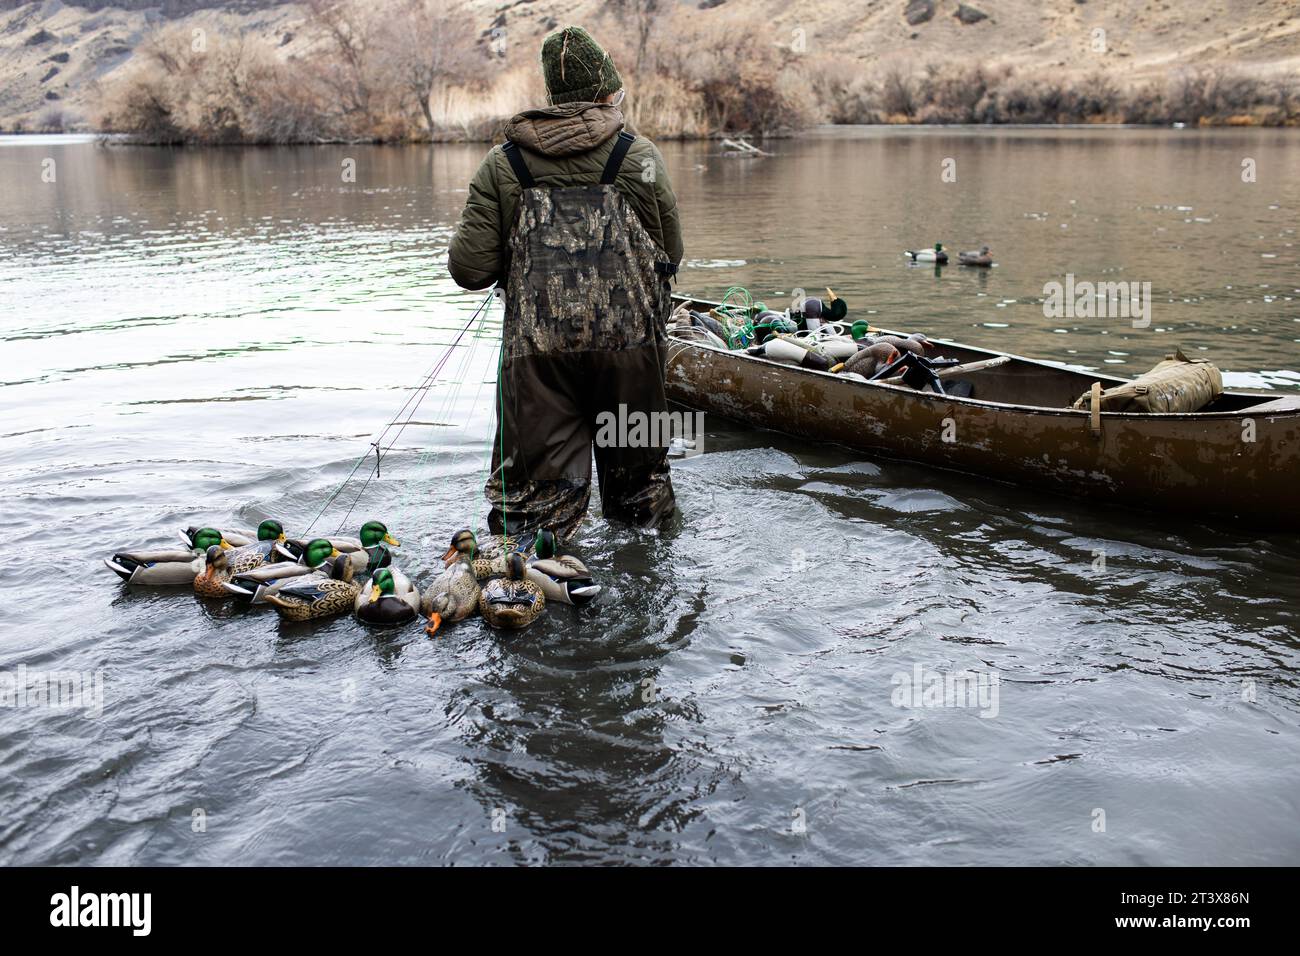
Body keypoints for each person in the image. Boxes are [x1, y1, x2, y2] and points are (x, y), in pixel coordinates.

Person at [447, 25, 683, 544]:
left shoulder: (502, 164)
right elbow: (671, 256)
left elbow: (469, 270)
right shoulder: (638, 157)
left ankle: (531, 605)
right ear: (607, 93)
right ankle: (643, 610)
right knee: (642, 505)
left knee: (533, 522)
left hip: (537, 369)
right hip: (630, 362)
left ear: (554, 97)